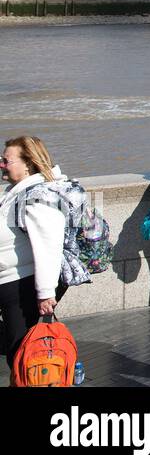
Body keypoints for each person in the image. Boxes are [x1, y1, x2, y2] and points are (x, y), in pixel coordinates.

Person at [0, 136, 68, 368]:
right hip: (13, 281)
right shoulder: (16, 191)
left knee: (21, 353)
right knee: (17, 348)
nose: (1, 164)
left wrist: (46, 293)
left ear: (28, 164)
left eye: (6, 160)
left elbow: (48, 244)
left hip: (22, 284)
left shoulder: (37, 196)